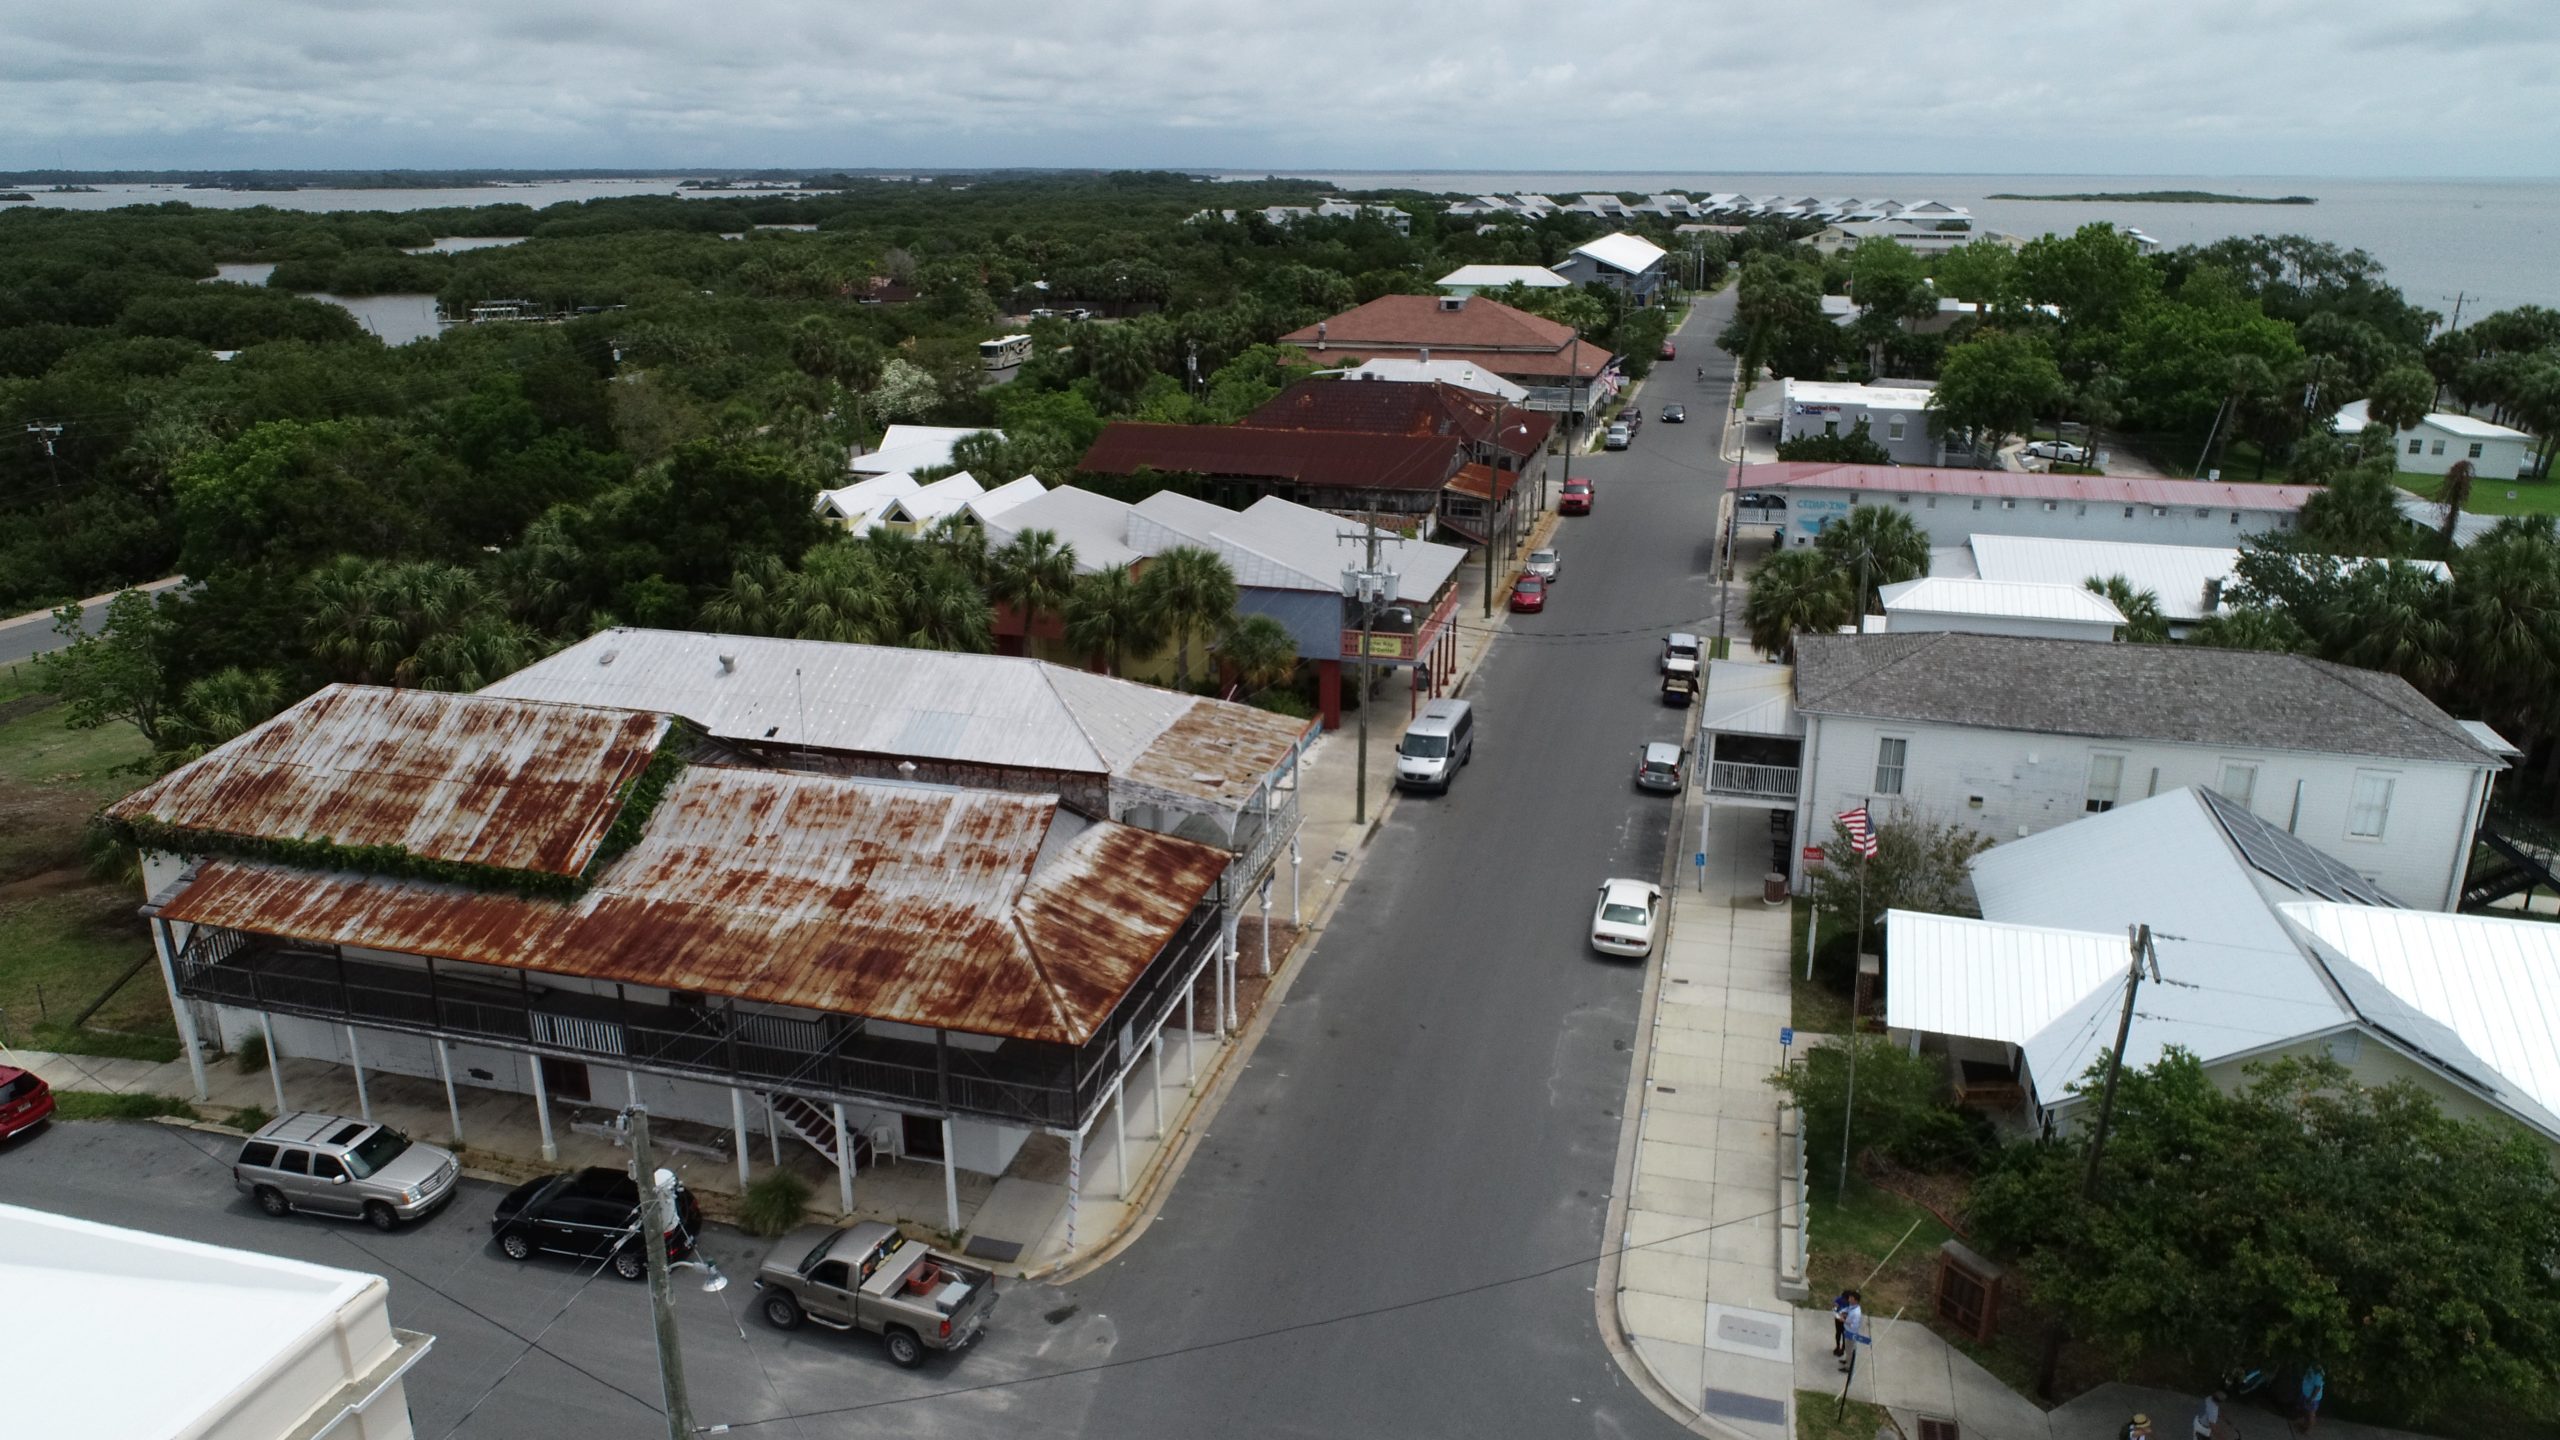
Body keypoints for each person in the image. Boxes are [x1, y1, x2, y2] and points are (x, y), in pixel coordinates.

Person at [1836, 1294, 1866, 1373]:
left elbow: (1854, 1326)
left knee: (1849, 1350)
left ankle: (1848, 1367)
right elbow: (1847, 1310)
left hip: (1851, 1333)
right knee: (1847, 1348)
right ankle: (1846, 1360)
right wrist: (1842, 1313)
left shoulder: (1856, 1313)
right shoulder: (1852, 1306)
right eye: (1849, 1297)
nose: (1849, 1299)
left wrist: (1844, 1320)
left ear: (1855, 1300)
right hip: (1847, 1331)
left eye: (1851, 1298)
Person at [1830, 1289, 1859, 1358]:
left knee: (1844, 1335)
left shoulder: (1851, 1304)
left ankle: (1842, 1349)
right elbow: (1834, 1309)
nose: (1844, 1300)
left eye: (1845, 1299)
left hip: (1846, 1321)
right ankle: (1837, 1347)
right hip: (1838, 1319)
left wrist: (1844, 1317)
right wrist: (1836, 1313)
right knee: (1838, 1333)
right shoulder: (1839, 1300)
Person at [2297, 1363, 2325, 1434]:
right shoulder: (2312, 1366)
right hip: (2306, 1394)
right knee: (2306, 1411)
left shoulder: (2318, 1373)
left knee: (2311, 1414)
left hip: (2312, 1398)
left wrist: (2311, 1398)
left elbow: (2317, 1388)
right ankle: (2304, 1424)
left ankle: (2307, 1428)